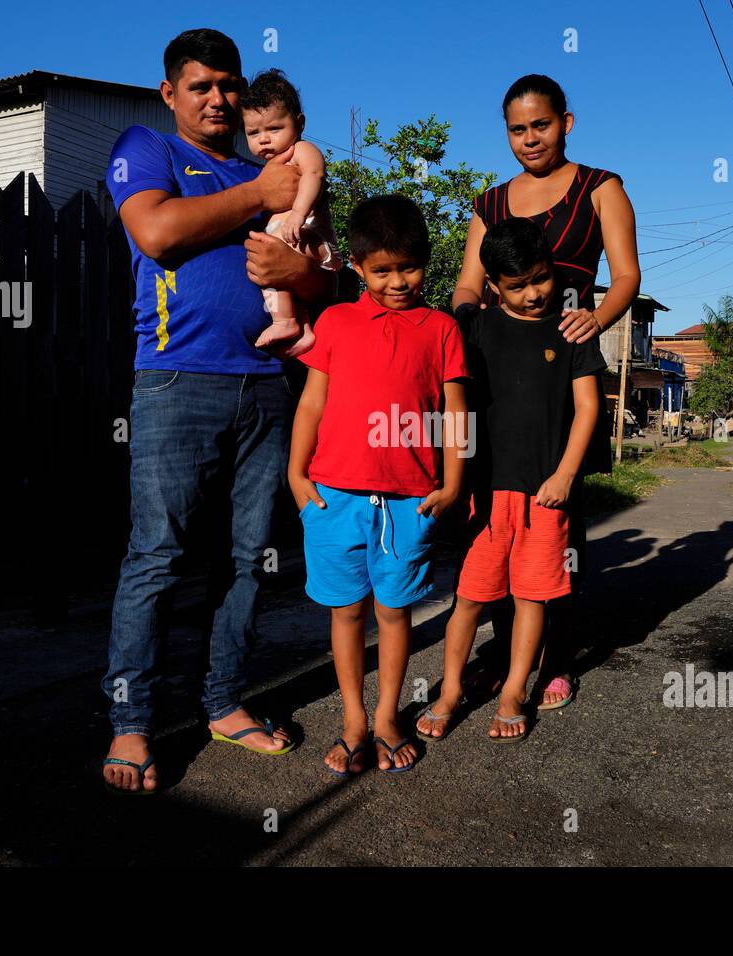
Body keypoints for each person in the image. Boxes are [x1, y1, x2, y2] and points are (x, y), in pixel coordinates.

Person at [100, 28, 337, 794]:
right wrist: (258, 197)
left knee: (246, 560)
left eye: (228, 85)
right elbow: (157, 230)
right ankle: (132, 723)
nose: (218, 99)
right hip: (176, 381)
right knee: (157, 557)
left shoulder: (270, 166)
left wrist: (300, 267)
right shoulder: (150, 150)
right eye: (200, 85)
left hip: (267, 382)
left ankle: (223, 702)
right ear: (171, 93)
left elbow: (331, 285)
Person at [450, 74, 641, 710]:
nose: (530, 139)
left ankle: (556, 661)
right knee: (493, 520)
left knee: (558, 523)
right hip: (501, 370)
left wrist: (597, 318)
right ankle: (507, 659)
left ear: (566, 122)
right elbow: (466, 287)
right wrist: (467, 330)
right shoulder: (490, 202)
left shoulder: (601, 188)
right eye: (517, 129)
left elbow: (627, 277)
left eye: (541, 125)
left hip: (565, 365)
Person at [288, 194, 469, 775]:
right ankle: (354, 721)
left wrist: (453, 484)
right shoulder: (335, 323)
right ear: (358, 267)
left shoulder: (441, 329)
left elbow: (456, 415)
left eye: (409, 267)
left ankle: (388, 717)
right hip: (332, 497)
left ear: (426, 262)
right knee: (345, 613)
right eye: (383, 270)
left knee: (394, 614)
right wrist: (296, 472)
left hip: (409, 503)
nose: (398, 281)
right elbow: (312, 402)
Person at [418, 217, 604, 743]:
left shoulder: (572, 330)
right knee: (470, 600)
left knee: (532, 599)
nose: (532, 293)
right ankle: (450, 692)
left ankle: (512, 692)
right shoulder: (472, 329)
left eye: (540, 279)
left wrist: (566, 474)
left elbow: (588, 407)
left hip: (546, 495)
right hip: (484, 495)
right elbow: (447, 399)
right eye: (517, 285)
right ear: (493, 285)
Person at [239, 69, 342, 358]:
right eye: (253, 133)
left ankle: (283, 321)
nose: (264, 140)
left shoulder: (302, 150)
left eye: (274, 129)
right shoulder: (270, 168)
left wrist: (297, 213)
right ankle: (302, 328)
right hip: (302, 239)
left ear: (299, 123)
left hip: (312, 238)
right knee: (273, 263)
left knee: (268, 259)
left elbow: (314, 175)